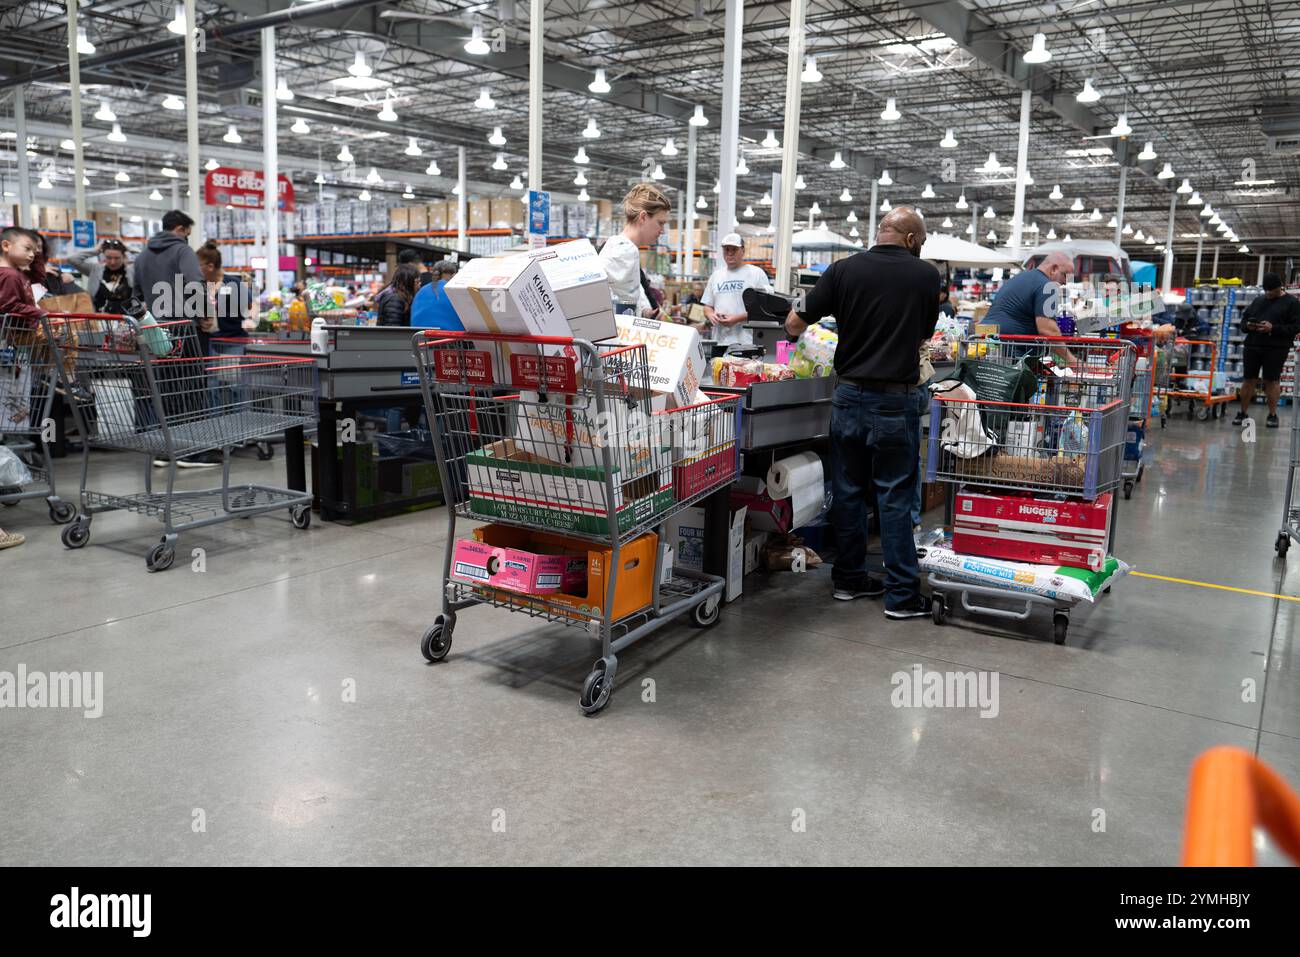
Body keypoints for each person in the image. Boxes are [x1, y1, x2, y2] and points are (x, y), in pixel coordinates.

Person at [785, 207, 939, 619]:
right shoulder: (925, 276)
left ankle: (849, 579)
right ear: (910, 239)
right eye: (920, 243)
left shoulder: (842, 270)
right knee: (894, 494)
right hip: (894, 400)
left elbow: (796, 322)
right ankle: (902, 597)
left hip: (848, 396)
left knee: (848, 490)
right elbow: (924, 334)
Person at [1234, 273, 1300, 428]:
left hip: (1276, 348)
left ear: (1280, 287)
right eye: (1266, 291)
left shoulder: (1292, 303)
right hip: (1253, 345)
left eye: (1273, 291)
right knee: (1248, 379)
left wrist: (1273, 328)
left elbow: (1296, 327)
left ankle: (1272, 415)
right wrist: (1248, 326)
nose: (1269, 294)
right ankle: (1242, 412)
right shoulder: (1258, 300)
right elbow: (1244, 321)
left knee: (1272, 381)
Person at [599, 183, 670, 317]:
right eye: (660, 223)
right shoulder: (625, 250)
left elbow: (628, 290)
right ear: (643, 217)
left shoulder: (618, 244)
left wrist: (644, 311)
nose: (662, 231)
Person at [702, 233, 771, 348]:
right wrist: (711, 315)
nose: (729, 253)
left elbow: (765, 308)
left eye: (734, 249)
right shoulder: (716, 276)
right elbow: (707, 306)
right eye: (726, 249)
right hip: (720, 342)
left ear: (743, 250)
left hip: (747, 342)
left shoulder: (756, 274)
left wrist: (737, 319)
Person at [196, 241, 256, 355]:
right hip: (210, 343)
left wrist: (249, 320)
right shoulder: (200, 286)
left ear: (210, 266)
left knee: (231, 372)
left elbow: (251, 308)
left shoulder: (234, 284)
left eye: (198, 265)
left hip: (234, 343)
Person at [69, 239, 134, 314]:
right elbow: (72, 259)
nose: (113, 262)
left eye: (117, 258)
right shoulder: (95, 270)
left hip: (126, 319)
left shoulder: (132, 271)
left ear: (123, 256)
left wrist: (129, 248)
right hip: (99, 318)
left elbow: (146, 259)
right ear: (103, 256)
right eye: (109, 258)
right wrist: (96, 251)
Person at [410, 260, 463, 330]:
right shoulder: (455, 291)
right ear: (454, 275)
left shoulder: (421, 291)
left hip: (419, 336)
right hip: (449, 338)